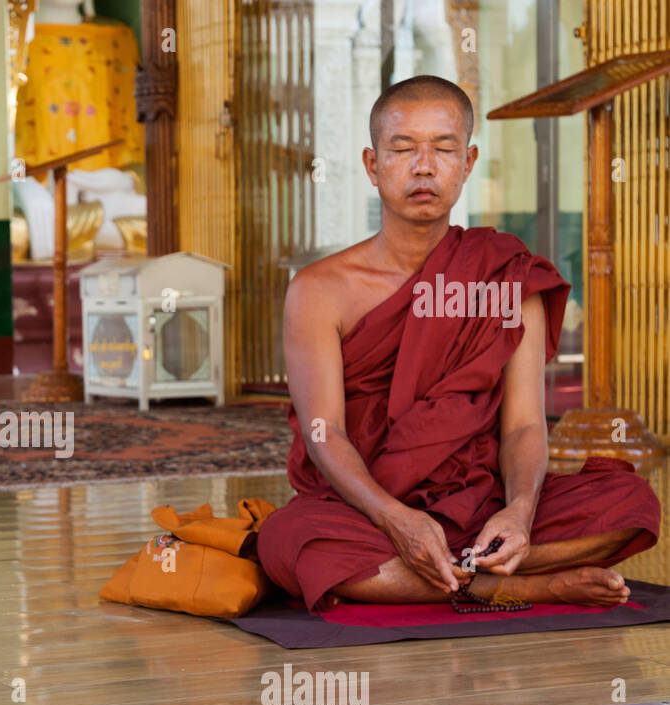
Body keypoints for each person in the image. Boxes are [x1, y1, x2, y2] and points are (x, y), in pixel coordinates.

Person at [255, 75, 661, 616]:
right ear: (372, 165)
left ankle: (466, 567)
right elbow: (324, 434)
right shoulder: (318, 291)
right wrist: (396, 519)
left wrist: (517, 511)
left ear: (467, 163)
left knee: (630, 503)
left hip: (481, 502)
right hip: (366, 508)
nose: (424, 167)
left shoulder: (505, 276)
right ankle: (519, 586)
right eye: (402, 149)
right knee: (293, 540)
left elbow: (522, 425)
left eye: (443, 149)